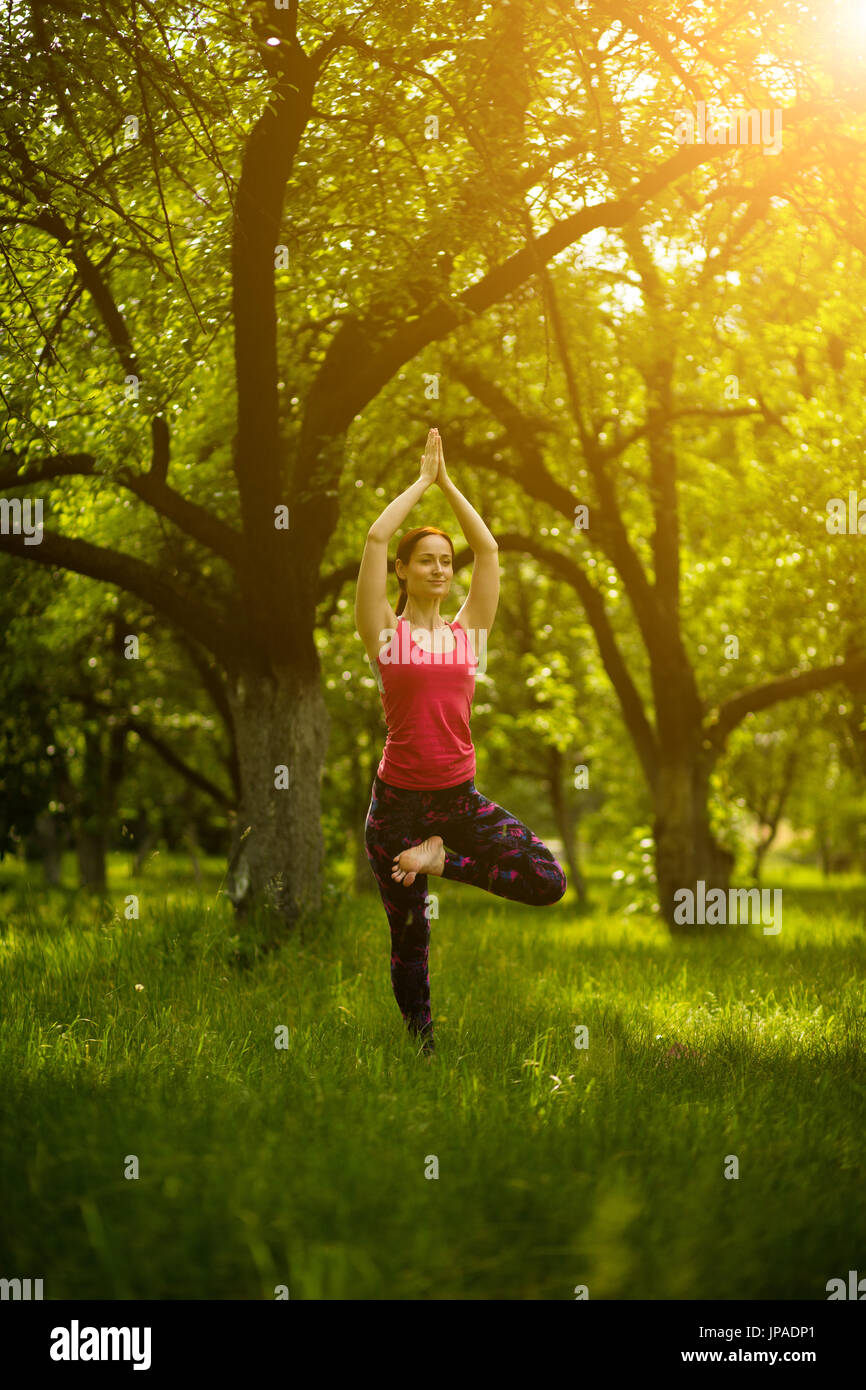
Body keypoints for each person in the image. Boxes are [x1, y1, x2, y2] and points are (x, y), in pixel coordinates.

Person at [355, 427, 567, 1057]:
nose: (442, 569)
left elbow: (490, 549)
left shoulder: (467, 635)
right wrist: (420, 484)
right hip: (395, 808)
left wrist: (449, 485)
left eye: (447, 560)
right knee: (409, 935)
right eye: (427, 560)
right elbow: (373, 537)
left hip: (456, 800)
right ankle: (421, 1048)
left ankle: (442, 862)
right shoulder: (385, 637)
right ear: (404, 571)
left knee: (547, 879)